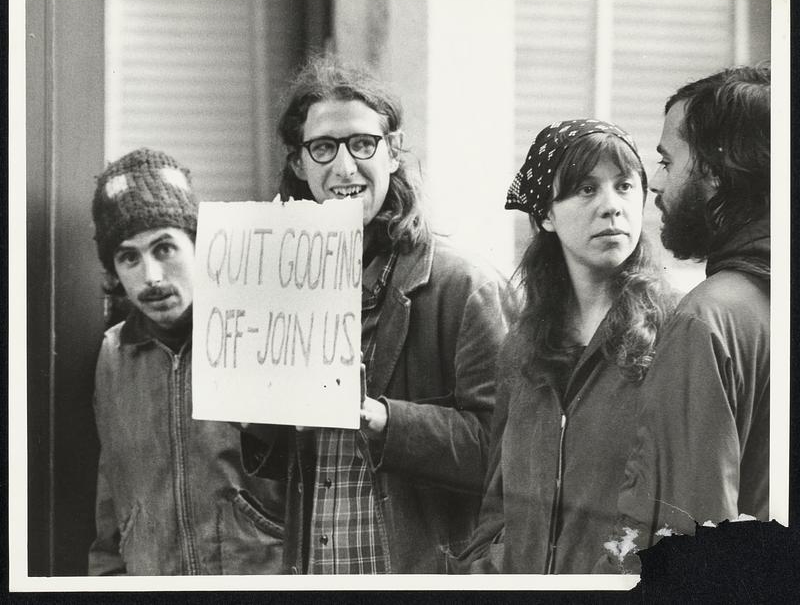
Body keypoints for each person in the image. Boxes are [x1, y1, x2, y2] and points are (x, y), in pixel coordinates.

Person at [239, 57, 518, 574]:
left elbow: (508, 454)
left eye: (362, 144)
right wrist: (251, 401)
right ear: (300, 164)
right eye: (323, 147)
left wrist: (381, 418)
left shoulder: (463, 287)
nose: (344, 168)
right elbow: (293, 460)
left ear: (392, 153)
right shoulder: (278, 286)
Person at [458, 119, 677, 574]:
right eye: (585, 189)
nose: (611, 207)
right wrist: (484, 568)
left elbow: (678, 507)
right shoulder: (523, 345)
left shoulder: (674, 334)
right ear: (544, 215)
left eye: (624, 186)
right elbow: (499, 499)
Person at [598, 65, 771, 573]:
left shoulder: (706, 319)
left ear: (717, 172)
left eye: (667, 162)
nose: (657, 185)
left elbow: (690, 540)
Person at [88, 148, 285, 575]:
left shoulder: (257, 331)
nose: (152, 276)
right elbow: (112, 501)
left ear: (199, 245)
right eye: (129, 257)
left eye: (165, 248)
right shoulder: (114, 354)